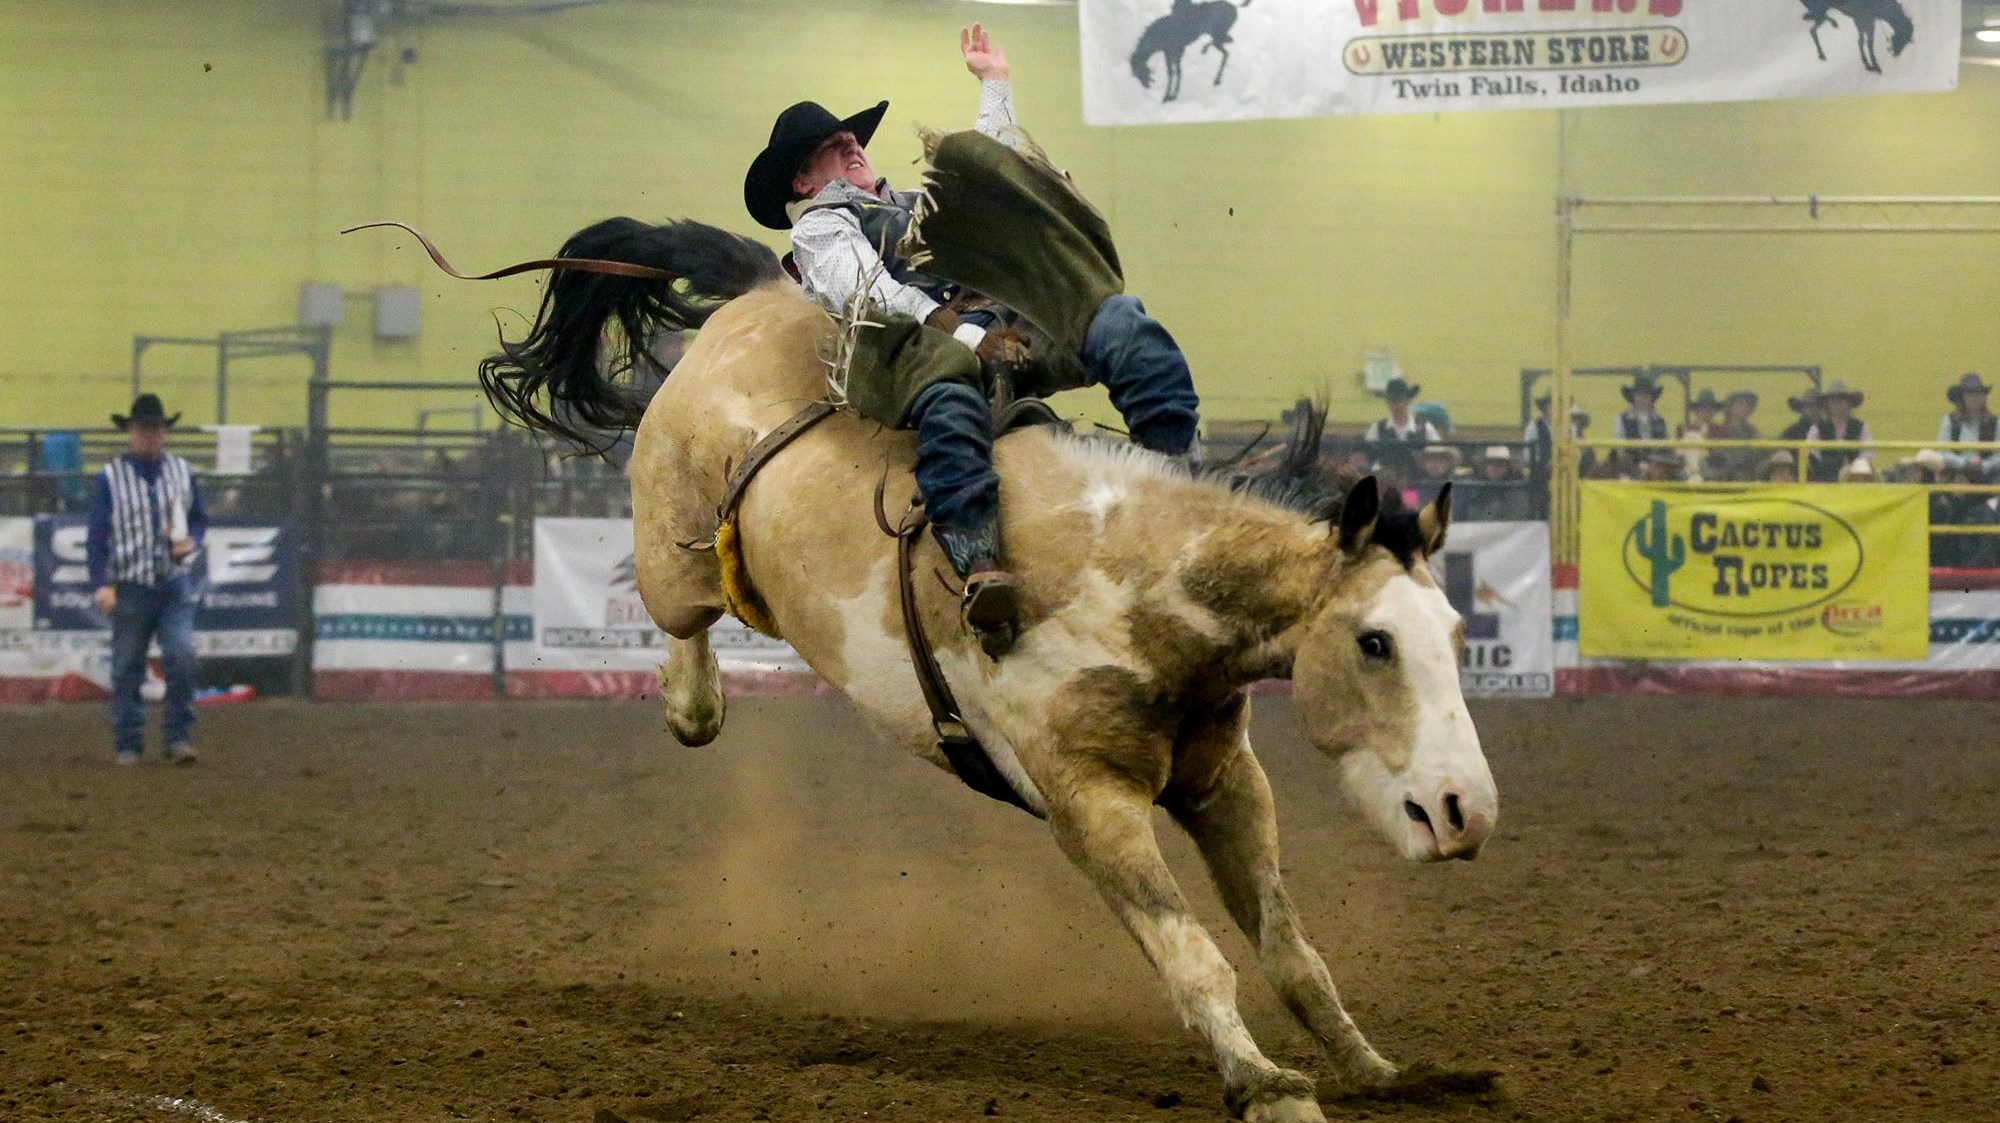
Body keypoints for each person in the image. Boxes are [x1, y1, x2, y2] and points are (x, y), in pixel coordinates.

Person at [744, 24, 1201, 657]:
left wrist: (995, 86)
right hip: (906, 352)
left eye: (851, 137)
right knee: (949, 389)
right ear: (802, 180)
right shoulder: (822, 228)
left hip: (998, 330)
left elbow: (996, 182)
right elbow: (869, 294)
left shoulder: (916, 203)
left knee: (1120, 322)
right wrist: (962, 333)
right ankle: (976, 559)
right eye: (832, 144)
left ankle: (1176, 478)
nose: (852, 144)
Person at [87, 394, 206, 766]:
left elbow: (199, 519)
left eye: (155, 430)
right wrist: (101, 583)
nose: (150, 436)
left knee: (182, 656)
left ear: (164, 433)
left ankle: (178, 737)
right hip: (131, 585)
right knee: (126, 666)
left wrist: (192, 542)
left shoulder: (183, 473)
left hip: (173, 583)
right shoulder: (109, 478)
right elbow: (97, 535)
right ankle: (128, 742)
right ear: (131, 433)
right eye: (143, 430)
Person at [1363, 378, 1440, 480]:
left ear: (1408, 401)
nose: (1395, 405)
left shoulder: (1425, 427)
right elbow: (1368, 454)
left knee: (1410, 496)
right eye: (1391, 400)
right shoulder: (1377, 428)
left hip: (1415, 483)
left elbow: (1438, 452)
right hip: (1386, 486)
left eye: (1399, 400)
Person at [1805, 381, 1871, 483]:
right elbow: (1812, 455)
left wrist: (1854, 468)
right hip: (1825, 481)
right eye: (1832, 399)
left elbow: (1868, 454)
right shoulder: (1817, 428)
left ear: (1849, 403)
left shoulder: (1860, 427)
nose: (1837, 403)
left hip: (1855, 481)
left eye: (1841, 398)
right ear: (1827, 404)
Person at [1938, 373, 1996, 476]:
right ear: (1962, 397)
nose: (1975, 397)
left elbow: (1998, 455)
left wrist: (1985, 465)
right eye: (1970, 393)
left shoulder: (1995, 422)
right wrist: (1965, 463)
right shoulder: (1950, 420)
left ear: (1984, 396)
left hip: (1988, 475)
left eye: (1979, 393)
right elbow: (1943, 452)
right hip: (1956, 473)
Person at [1611, 375, 1668, 476]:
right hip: (1629, 471)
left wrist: (1656, 466)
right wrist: (1636, 467)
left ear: (1652, 398)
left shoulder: (1660, 421)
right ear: (1633, 397)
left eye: (1646, 396)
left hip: (1657, 472)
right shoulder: (1621, 420)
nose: (1643, 399)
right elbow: (1619, 449)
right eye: (1639, 395)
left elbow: (1666, 447)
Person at [1709, 390, 1762, 481]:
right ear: (1730, 407)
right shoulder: (1718, 430)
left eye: (1749, 404)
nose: (1745, 407)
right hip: (1725, 480)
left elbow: (1759, 458)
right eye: (1740, 403)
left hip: (1749, 478)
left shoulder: (1753, 432)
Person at [1678, 388, 1722, 481]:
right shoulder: (1685, 429)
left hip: (1713, 468)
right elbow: (1679, 454)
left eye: (1710, 409)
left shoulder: (1720, 430)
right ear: (1696, 411)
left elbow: (1721, 455)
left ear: (1714, 411)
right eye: (1702, 408)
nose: (1706, 412)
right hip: (1688, 469)